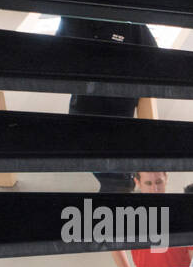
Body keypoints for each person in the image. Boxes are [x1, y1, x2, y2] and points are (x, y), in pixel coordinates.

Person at [56, 16, 159, 194]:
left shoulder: (129, 23)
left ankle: (121, 183)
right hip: (83, 103)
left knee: (113, 161)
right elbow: (58, 53)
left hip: (118, 106)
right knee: (84, 149)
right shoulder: (71, 18)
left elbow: (153, 56)